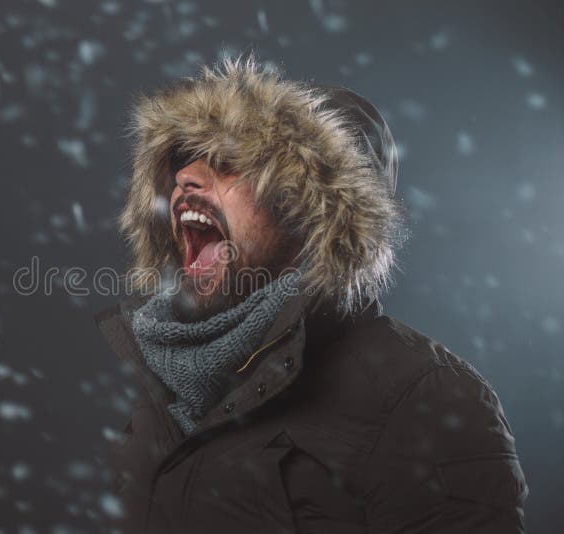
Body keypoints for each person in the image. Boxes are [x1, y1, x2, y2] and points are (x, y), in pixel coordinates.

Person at [94, 53, 528, 534]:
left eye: (230, 161)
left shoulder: (424, 396)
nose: (185, 178)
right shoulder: (172, 377)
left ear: (313, 215)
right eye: (185, 160)